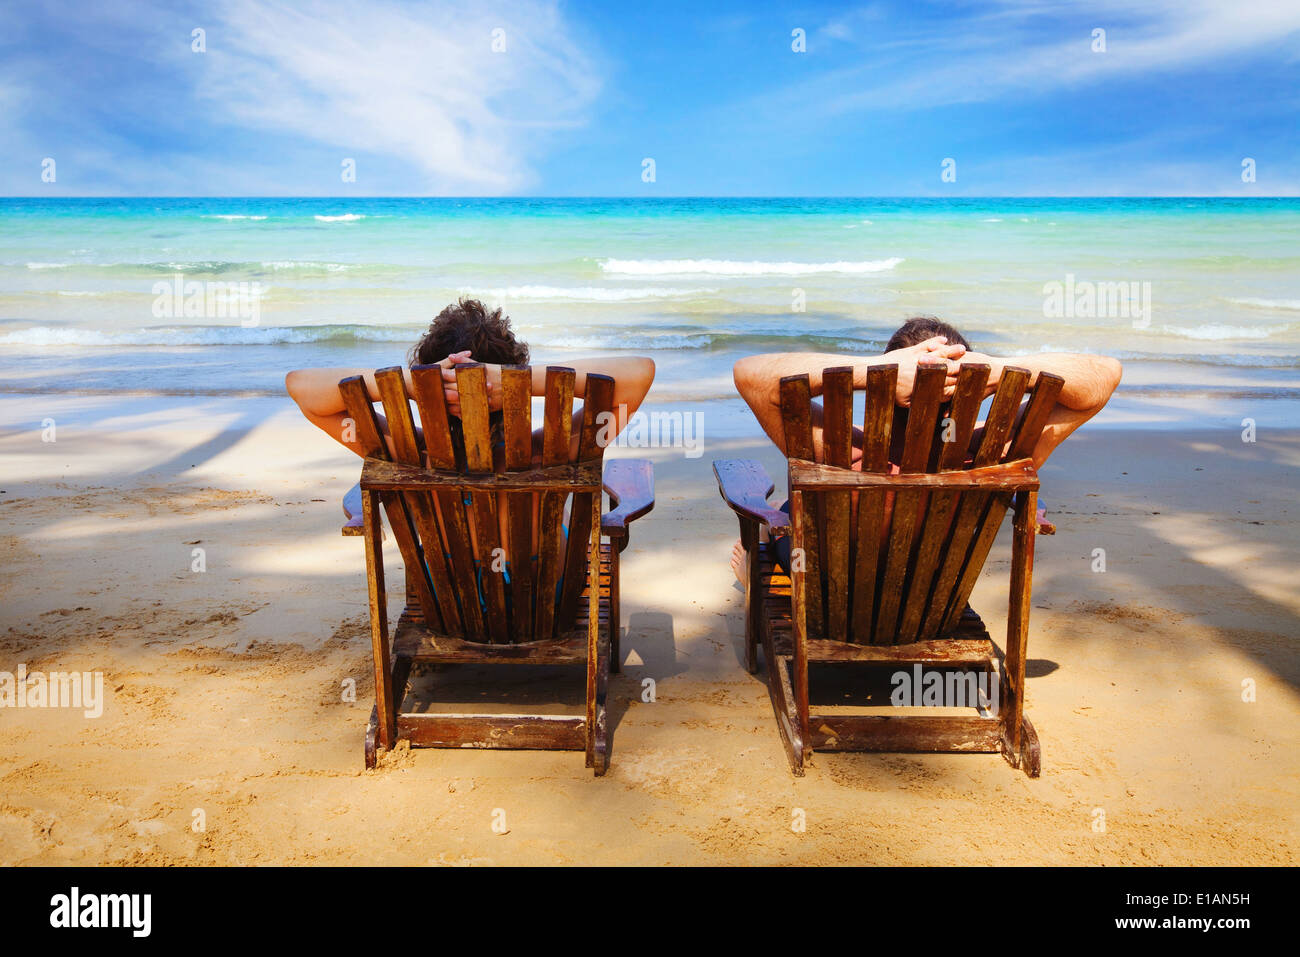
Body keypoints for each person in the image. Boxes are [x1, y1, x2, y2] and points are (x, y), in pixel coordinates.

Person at [285, 298, 656, 588]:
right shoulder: (554, 452)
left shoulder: (403, 453)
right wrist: (521, 380)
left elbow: (302, 387)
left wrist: (413, 386)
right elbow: (638, 374)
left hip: (449, 600)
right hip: (546, 597)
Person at [728, 315, 1122, 579]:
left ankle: (754, 578)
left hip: (831, 593)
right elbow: (1105, 375)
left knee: (782, 513)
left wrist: (870, 372)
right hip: (934, 601)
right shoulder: (995, 454)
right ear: (975, 383)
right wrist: (1000, 368)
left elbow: (750, 375)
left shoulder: (842, 456)